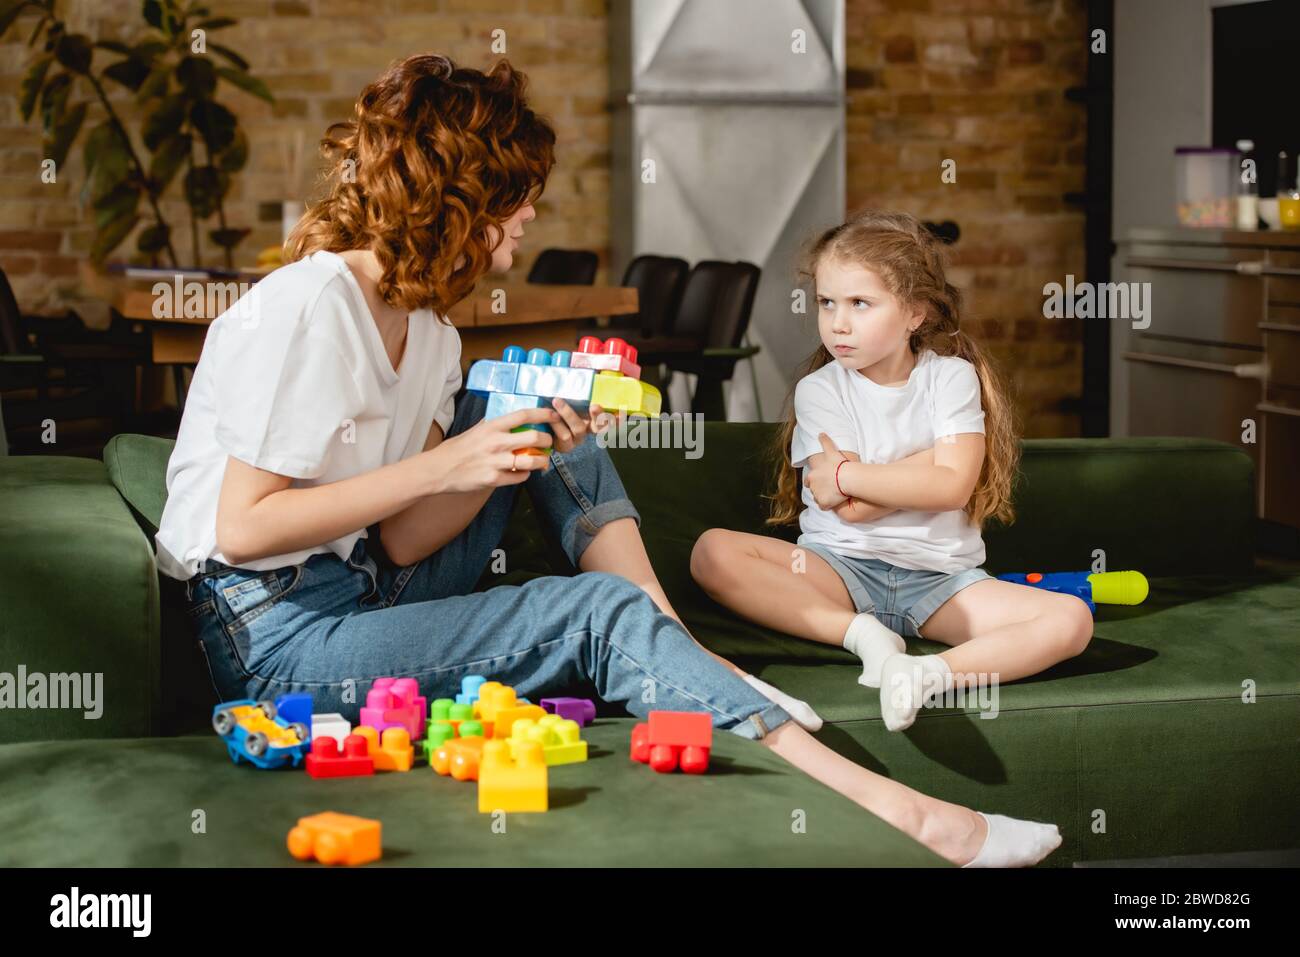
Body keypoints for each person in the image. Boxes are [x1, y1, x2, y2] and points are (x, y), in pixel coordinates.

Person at [155, 55, 1059, 867]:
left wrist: (503, 453)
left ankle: (683, 647)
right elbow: (245, 527)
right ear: (462, 199)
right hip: (272, 636)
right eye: (520, 195)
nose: (533, 215)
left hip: (365, 586)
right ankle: (915, 818)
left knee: (526, 406)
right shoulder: (309, 305)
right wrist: (451, 464)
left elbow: (399, 545)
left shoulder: (430, 331)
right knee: (596, 610)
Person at [691, 209, 1094, 737]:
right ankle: (864, 637)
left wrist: (848, 475)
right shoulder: (821, 389)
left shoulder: (950, 379)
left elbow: (950, 489)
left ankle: (926, 674)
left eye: (860, 304)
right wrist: (923, 469)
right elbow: (853, 511)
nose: (838, 322)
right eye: (827, 303)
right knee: (712, 553)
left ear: (915, 313)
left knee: (1071, 620)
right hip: (838, 568)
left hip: (943, 582)